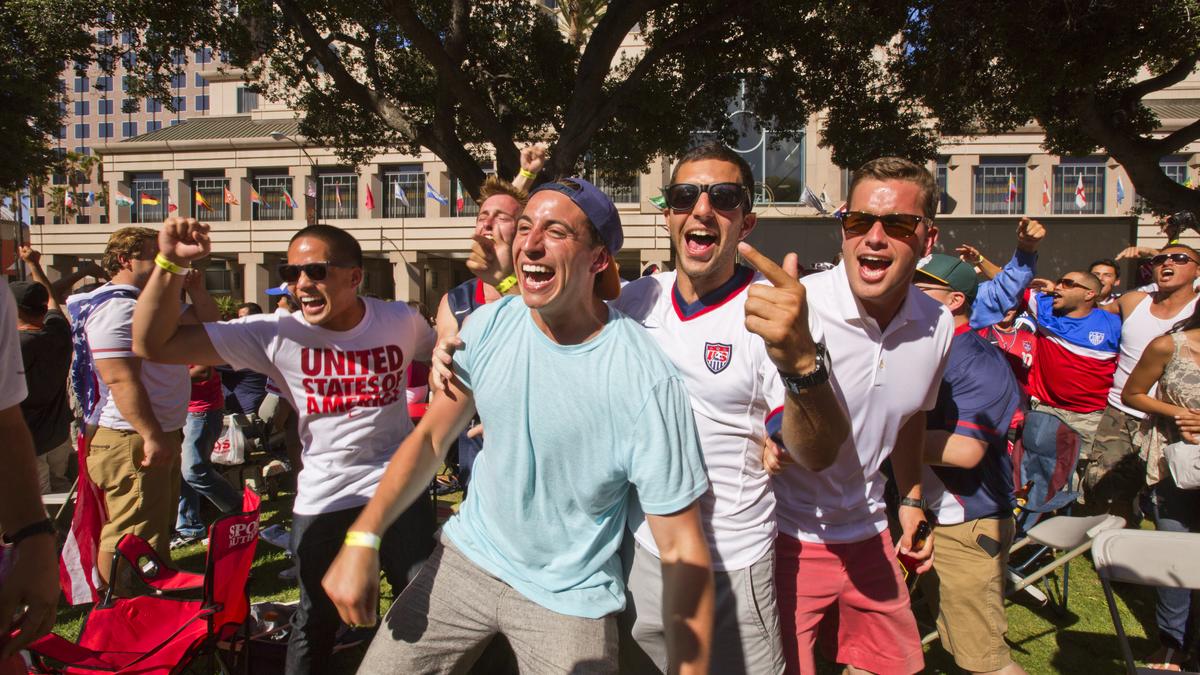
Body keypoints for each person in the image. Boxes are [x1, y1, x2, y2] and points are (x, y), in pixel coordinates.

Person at [322, 178, 715, 674]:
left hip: (570, 593)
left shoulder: (645, 379)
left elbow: (682, 547)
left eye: (555, 231)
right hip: (469, 559)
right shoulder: (486, 327)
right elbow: (430, 439)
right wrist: (364, 536)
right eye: (525, 226)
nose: (529, 243)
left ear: (598, 260)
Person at [132, 218, 437, 675]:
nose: (301, 284)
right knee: (315, 618)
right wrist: (169, 263)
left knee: (417, 604)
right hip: (325, 496)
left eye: (316, 271)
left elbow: (442, 352)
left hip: (398, 490)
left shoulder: (399, 321)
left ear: (355, 277)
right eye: (290, 273)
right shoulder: (272, 333)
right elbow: (150, 343)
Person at [613, 141, 848, 674]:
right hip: (645, 552)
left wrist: (801, 367)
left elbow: (816, 451)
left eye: (723, 197)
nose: (702, 209)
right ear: (669, 213)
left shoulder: (773, 312)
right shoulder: (637, 299)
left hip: (732, 564)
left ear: (746, 222)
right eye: (685, 196)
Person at [766, 157, 953, 675]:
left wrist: (912, 499)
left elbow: (913, 416)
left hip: (869, 532)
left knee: (901, 667)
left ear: (928, 239)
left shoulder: (936, 322)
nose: (873, 237)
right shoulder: (799, 308)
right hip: (789, 537)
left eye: (895, 224)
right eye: (857, 221)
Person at [66, 226, 216, 589]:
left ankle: (146, 597)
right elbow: (120, 379)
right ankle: (122, 607)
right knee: (131, 531)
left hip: (149, 431)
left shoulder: (139, 301)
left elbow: (211, 324)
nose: (167, 263)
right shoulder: (118, 307)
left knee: (149, 527)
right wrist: (151, 435)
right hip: (132, 434)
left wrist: (195, 289)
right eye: (157, 255)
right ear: (124, 260)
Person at [913, 254, 1027, 675]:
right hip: (917, 512)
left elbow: (964, 450)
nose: (905, 293)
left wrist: (874, 435)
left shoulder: (979, 361)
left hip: (964, 523)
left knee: (984, 659)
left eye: (920, 289)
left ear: (955, 300)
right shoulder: (918, 349)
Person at [1088, 245, 1200, 522]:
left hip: (1175, 421)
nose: (1167, 263)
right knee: (1104, 487)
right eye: (1160, 259)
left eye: (1180, 258)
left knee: (1172, 493)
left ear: (1198, 270)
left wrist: (1151, 248)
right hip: (1123, 411)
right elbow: (1089, 311)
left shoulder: (1198, 307)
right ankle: (1120, 546)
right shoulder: (1133, 300)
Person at [433, 175, 527, 489]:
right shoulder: (456, 301)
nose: (487, 223)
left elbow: (545, 333)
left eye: (501, 218)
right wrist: (440, 360)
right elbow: (444, 367)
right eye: (481, 217)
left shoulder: (544, 291)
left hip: (533, 441)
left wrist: (501, 279)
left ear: (522, 231)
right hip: (476, 445)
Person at [1121, 302, 1200, 672]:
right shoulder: (1169, 345)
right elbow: (1132, 393)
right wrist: (1178, 413)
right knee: (1176, 555)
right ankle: (1172, 643)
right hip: (1176, 470)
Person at [0, 285, 59, 661]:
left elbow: (6, 421)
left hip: (37, 442)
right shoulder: (56, 334)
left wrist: (35, 538)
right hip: (50, 438)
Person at [11, 245, 96, 493]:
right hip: (57, 437)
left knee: (36, 499)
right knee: (60, 487)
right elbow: (51, 301)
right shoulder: (57, 331)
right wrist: (34, 265)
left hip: (29, 441)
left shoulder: (17, 346)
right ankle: (70, 531)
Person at [1021, 271, 1122, 451]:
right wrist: (980, 260)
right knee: (1039, 470)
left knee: (1082, 472)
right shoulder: (1046, 310)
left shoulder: (1114, 324)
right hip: (1046, 409)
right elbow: (1010, 283)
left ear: (1089, 293)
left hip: (1091, 415)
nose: (1058, 286)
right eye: (1059, 282)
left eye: (1067, 283)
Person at [173, 357, 241, 549]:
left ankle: (240, 510)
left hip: (201, 410)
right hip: (178, 409)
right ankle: (189, 526)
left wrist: (164, 382)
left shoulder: (196, 332)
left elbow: (204, 371)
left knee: (194, 470)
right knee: (181, 469)